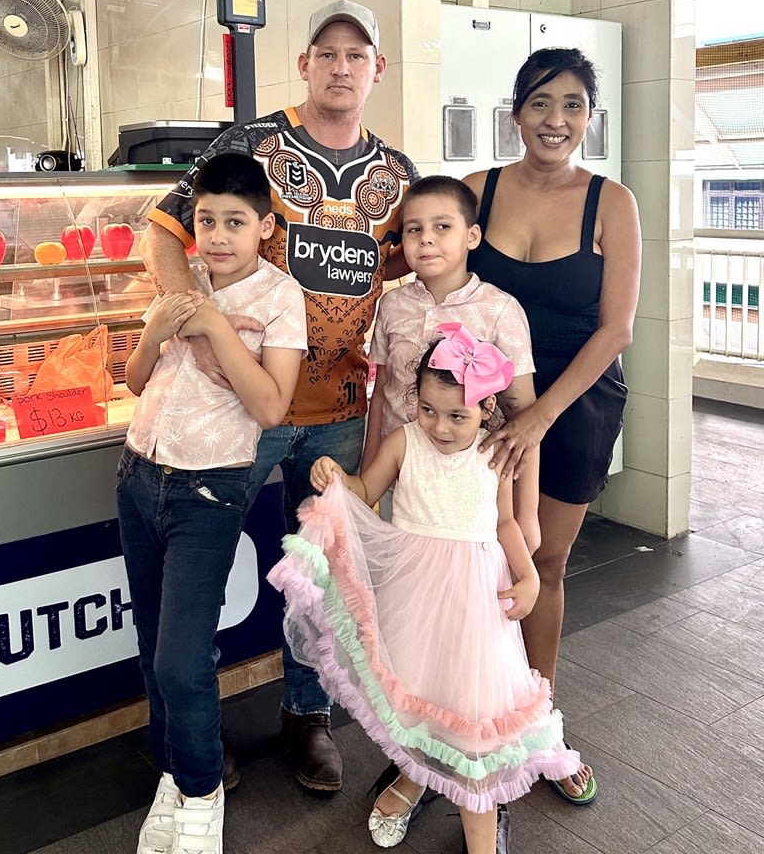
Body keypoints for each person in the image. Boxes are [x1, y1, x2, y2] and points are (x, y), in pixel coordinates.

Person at [142, 0, 418, 792]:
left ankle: (308, 716)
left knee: (322, 571)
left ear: (376, 70)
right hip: (240, 406)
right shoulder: (254, 144)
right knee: (198, 566)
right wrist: (196, 324)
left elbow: (391, 262)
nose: (340, 67)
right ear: (303, 64)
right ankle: (198, 732)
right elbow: (165, 227)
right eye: (325, 53)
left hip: (338, 413)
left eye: (355, 55)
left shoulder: (394, 173)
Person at [269, 326, 579, 854]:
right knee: (419, 694)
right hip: (414, 592)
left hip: (476, 603)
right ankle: (415, 777)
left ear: (487, 412)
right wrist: (337, 480)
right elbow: (366, 493)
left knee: (472, 712)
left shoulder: (492, 455)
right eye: (430, 409)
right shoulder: (403, 441)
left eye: (458, 415)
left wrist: (527, 576)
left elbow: (505, 525)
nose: (440, 425)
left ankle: (479, 831)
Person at [464, 47, 641, 806]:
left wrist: (538, 415)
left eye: (571, 105)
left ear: (589, 118)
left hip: (573, 407)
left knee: (545, 562)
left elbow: (616, 331)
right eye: (540, 104)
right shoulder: (478, 190)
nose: (555, 120)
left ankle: (538, 721)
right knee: (472, 568)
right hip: (475, 411)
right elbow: (426, 269)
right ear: (516, 115)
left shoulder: (613, 202)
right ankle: (464, 720)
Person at [118, 153, 307, 854]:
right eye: (206, 221)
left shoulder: (280, 298)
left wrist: (217, 326)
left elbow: (270, 406)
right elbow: (137, 380)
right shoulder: (182, 280)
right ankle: (174, 772)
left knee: (181, 659)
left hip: (208, 489)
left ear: (265, 226)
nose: (219, 236)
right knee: (151, 648)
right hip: (140, 474)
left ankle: (202, 794)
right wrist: (155, 330)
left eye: (235, 221)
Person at [361, 174, 540, 551]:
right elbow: (382, 395)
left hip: (474, 484)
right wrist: (367, 476)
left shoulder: (499, 310)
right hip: (404, 478)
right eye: (414, 229)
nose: (426, 238)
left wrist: (527, 512)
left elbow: (524, 414)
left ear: (471, 237)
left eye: (442, 227)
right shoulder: (392, 306)